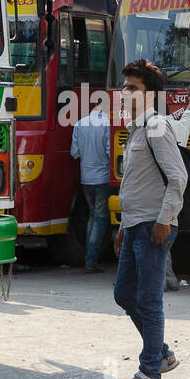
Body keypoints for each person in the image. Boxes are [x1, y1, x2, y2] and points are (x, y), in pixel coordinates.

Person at [111, 60, 186, 379]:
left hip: (154, 227)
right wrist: (124, 226)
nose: (125, 92)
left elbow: (177, 177)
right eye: (124, 86)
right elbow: (137, 183)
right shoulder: (137, 128)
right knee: (124, 294)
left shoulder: (157, 126)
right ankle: (163, 355)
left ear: (151, 95)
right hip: (135, 225)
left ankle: (149, 373)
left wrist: (164, 220)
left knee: (148, 300)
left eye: (133, 88)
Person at [162, 83, 190, 292]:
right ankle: (168, 280)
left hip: (156, 196)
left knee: (157, 242)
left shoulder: (148, 128)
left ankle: (164, 280)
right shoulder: (177, 127)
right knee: (165, 240)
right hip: (174, 196)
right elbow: (189, 113)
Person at [70, 95, 111, 273]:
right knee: (100, 219)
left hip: (86, 178)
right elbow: (111, 151)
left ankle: (90, 258)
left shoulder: (80, 123)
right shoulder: (108, 124)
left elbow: (74, 152)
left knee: (93, 217)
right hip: (103, 178)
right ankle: (91, 260)